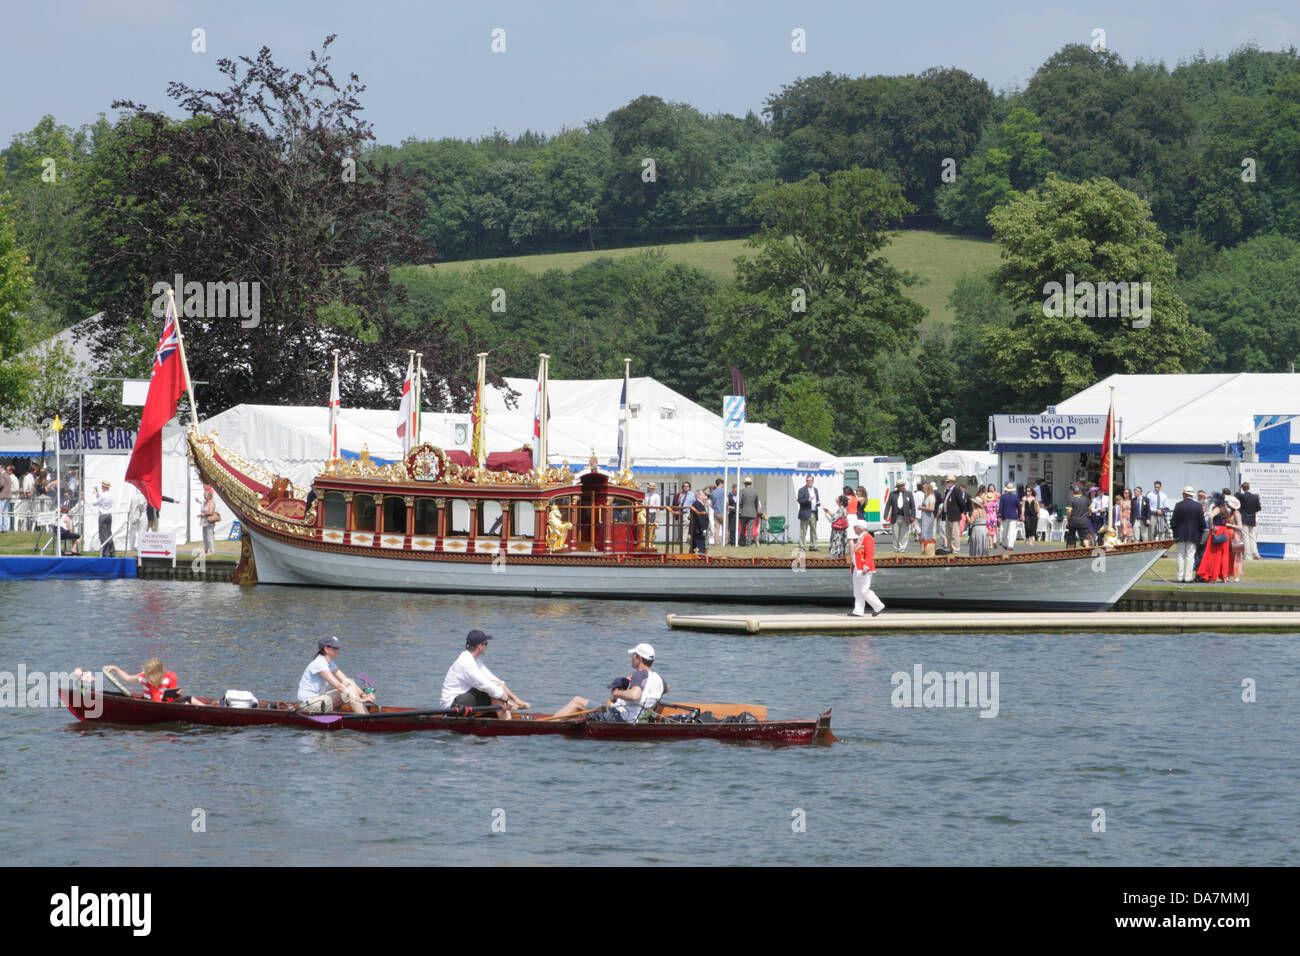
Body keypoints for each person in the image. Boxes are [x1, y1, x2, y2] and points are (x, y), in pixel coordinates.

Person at [553, 643, 665, 721]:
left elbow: (634, 695)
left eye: (633, 655)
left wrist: (616, 693)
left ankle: (548, 724)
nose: (631, 657)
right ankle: (558, 720)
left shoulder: (639, 674)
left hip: (621, 718)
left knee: (577, 701)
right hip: (636, 718)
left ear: (639, 658)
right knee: (585, 708)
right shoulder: (659, 679)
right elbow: (664, 690)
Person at [439, 629, 529, 718]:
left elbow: (497, 682)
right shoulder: (465, 663)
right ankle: (508, 723)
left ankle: (508, 719)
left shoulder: (475, 661)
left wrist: (515, 699)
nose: (486, 646)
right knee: (493, 691)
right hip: (453, 707)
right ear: (480, 646)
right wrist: (507, 701)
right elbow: (486, 686)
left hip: (465, 700)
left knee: (496, 687)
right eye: (486, 643)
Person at [298, 636, 374, 715]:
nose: (338, 650)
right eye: (335, 648)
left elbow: (347, 681)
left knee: (350, 682)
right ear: (326, 649)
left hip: (318, 700)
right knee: (349, 690)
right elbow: (339, 686)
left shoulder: (329, 663)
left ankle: (365, 715)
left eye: (338, 647)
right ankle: (366, 718)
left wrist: (364, 695)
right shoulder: (319, 663)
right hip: (308, 705)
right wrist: (360, 700)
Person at [105, 658, 186, 702]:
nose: (148, 677)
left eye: (150, 676)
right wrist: (115, 669)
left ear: (159, 674)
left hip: (164, 703)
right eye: (147, 675)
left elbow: (172, 695)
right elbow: (128, 678)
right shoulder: (143, 676)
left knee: (187, 700)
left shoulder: (167, 679)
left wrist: (177, 693)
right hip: (149, 702)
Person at [848, 520, 885, 617]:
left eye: (855, 527)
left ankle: (878, 606)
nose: (854, 528)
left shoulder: (868, 537)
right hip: (857, 568)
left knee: (864, 590)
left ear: (859, 528)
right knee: (857, 591)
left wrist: (866, 566)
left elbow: (870, 554)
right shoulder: (860, 538)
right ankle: (858, 611)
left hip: (863, 568)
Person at [1171, 486, 1206, 583]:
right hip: (1194, 534)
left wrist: (1175, 532)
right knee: (1190, 556)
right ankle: (1188, 577)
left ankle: (1180, 576)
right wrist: (1200, 531)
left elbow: (1173, 521)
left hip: (1180, 534)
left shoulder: (1178, 505)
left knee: (1180, 556)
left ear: (1185, 494)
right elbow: (1202, 522)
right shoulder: (1198, 506)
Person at [1197, 494, 1233, 583]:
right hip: (1224, 531)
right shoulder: (1226, 510)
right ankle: (1224, 575)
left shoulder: (1217, 508)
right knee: (1224, 555)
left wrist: (1212, 526)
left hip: (1217, 530)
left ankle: (1214, 575)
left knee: (1214, 554)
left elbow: (1210, 516)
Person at [937, 475, 968, 554]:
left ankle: (956, 549)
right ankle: (951, 547)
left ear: (952, 482)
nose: (947, 483)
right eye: (947, 482)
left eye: (948, 482)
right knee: (949, 533)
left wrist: (959, 511)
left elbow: (961, 503)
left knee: (955, 533)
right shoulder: (949, 491)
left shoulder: (956, 490)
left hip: (954, 515)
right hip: (948, 515)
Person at [883, 479, 915, 553]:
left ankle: (902, 548)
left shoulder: (909, 494)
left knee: (904, 534)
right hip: (895, 517)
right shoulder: (892, 494)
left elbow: (912, 506)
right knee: (895, 533)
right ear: (897, 487)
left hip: (905, 517)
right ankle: (896, 548)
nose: (903, 487)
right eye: (901, 486)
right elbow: (888, 505)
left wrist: (913, 515)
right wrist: (885, 515)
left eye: (903, 485)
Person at [1237, 482, 1262, 559]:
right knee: (1252, 537)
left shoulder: (1242, 496)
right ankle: (1254, 553)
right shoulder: (1255, 497)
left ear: (1243, 488)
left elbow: (1236, 496)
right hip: (1252, 519)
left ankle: (1247, 555)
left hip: (1244, 519)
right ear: (1249, 487)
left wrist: (1238, 489)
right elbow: (1259, 508)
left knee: (1245, 537)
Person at [796, 474, 821, 551]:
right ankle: (802, 547)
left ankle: (813, 546)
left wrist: (818, 503)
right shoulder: (802, 490)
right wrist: (808, 499)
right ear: (806, 481)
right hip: (805, 512)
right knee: (803, 530)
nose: (809, 482)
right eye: (807, 480)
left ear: (813, 481)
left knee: (813, 530)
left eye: (810, 480)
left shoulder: (816, 490)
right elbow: (799, 500)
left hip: (813, 512)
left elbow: (817, 500)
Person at [92, 480, 115, 557]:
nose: (101, 487)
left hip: (103, 515)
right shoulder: (111, 495)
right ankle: (112, 551)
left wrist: (95, 494)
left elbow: (94, 503)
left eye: (102, 486)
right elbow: (101, 500)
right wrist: (98, 494)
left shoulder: (103, 495)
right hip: (109, 514)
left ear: (104, 487)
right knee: (109, 533)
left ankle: (105, 552)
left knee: (103, 534)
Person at [1065, 484, 1091, 549]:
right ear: (1080, 491)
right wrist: (1088, 514)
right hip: (1083, 521)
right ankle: (1088, 549)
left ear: (1073, 492)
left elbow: (1069, 511)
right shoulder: (1086, 499)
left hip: (1073, 521)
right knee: (1084, 537)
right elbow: (1090, 509)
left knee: (1071, 538)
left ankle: (1071, 552)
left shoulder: (1071, 499)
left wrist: (1068, 520)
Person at [824, 494, 850, 559]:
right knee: (842, 544)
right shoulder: (845, 509)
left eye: (838, 501)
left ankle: (834, 558)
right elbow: (837, 516)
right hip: (843, 530)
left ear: (841, 502)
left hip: (837, 531)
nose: (836, 502)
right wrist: (829, 512)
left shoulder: (840, 510)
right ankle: (842, 556)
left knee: (836, 543)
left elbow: (832, 519)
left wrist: (826, 514)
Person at [997, 481, 1021, 551]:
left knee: (1004, 531)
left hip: (1005, 515)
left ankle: (1004, 543)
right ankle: (1010, 545)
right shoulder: (1016, 497)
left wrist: (999, 515)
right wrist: (1019, 515)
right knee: (1011, 531)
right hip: (1013, 516)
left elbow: (1000, 507)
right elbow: (1019, 507)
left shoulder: (1003, 497)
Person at [738, 477, 761, 546]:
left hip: (744, 512)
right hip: (752, 513)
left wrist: (742, 507)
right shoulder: (755, 491)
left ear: (745, 484)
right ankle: (749, 543)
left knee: (743, 528)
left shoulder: (742, 491)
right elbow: (756, 503)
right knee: (750, 529)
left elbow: (740, 502)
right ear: (750, 483)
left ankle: (742, 542)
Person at [968, 492, 990, 556]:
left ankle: (976, 556)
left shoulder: (975, 511)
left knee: (976, 544)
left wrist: (966, 516)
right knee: (983, 543)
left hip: (977, 529)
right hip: (984, 528)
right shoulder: (984, 511)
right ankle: (983, 555)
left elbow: (971, 522)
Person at [918, 482, 937, 553]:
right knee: (924, 533)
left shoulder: (931, 497)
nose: (922, 489)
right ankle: (924, 549)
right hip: (925, 516)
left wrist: (922, 507)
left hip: (928, 517)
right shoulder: (926, 496)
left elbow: (931, 508)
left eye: (923, 488)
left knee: (928, 533)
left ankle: (929, 550)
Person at [126, 487, 146, 553]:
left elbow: (130, 507)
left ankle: (131, 547)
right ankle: (141, 547)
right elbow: (141, 504)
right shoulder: (142, 496)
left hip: (133, 516)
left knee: (132, 532)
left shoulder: (133, 497)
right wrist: (141, 510)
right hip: (141, 515)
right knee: (141, 531)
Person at [690, 488, 710, 554]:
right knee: (699, 547)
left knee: (699, 545)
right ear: (698, 496)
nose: (704, 496)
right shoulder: (697, 504)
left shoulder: (700, 503)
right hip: (698, 529)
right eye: (702, 494)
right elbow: (700, 517)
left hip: (698, 529)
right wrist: (703, 529)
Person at [199, 485, 217, 555]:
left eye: (205, 495)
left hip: (209, 521)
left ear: (208, 495)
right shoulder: (205, 503)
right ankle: (206, 550)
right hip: (203, 521)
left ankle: (212, 551)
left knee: (209, 537)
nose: (204, 496)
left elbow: (210, 512)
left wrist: (202, 514)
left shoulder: (211, 503)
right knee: (204, 536)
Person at [643, 482, 661, 546]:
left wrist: (657, 518)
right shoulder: (645, 495)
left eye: (653, 488)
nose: (651, 489)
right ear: (648, 488)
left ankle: (651, 542)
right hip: (646, 513)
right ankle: (645, 542)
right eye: (650, 488)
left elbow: (657, 507)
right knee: (645, 528)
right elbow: (643, 505)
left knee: (652, 528)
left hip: (652, 513)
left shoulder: (657, 496)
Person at [709, 479, 726, 547]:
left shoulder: (713, 493)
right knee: (725, 527)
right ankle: (725, 542)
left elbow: (711, 504)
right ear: (721, 483)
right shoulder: (724, 491)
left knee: (716, 528)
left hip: (716, 512)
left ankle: (716, 542)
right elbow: (727, 501)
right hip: (723, 511)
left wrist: (714, 508)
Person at [0, 465, 14, 533]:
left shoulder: (2, 475)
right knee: (5, 513)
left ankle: (0, 528)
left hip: (2, 496)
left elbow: (1, 484)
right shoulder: (8, 475)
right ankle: (5, 528)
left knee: (0, 513)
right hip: (8, 496)